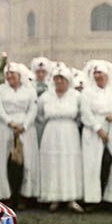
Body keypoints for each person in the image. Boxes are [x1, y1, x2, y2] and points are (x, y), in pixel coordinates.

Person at [37, 64, 84, 212]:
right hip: (51, 133)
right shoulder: (45, 96)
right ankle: (54, 198)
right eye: (56, 79)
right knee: (52, 163)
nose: (59, 81)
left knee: (69, 163)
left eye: (62, 79)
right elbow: (40, 115)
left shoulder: (76, 96)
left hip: (70, 133)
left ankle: (71, 198)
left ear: (68, 80)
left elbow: (80, 116)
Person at [0, 63, 39, 205]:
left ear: (20, 76)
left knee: (25, 162)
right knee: (4, 162)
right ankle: (6, 194)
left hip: (25, 130)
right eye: (8, 74)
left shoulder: (30, 90)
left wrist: (24, 125)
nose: (10, 76)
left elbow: (33, 110)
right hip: (6, 128)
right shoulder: (1, 89)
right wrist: (9, 122)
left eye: (13, 74)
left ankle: (23, 195)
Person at [80, 60, 112, 206]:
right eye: (96, 73)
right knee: (92, 164)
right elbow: (85, 113)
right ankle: (92, 200)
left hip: (110, 127)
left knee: (108, 163)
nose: (98, 76)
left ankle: (109, 198)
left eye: (101, 73)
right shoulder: (87, 92)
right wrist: (98, 129)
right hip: (93, 131)